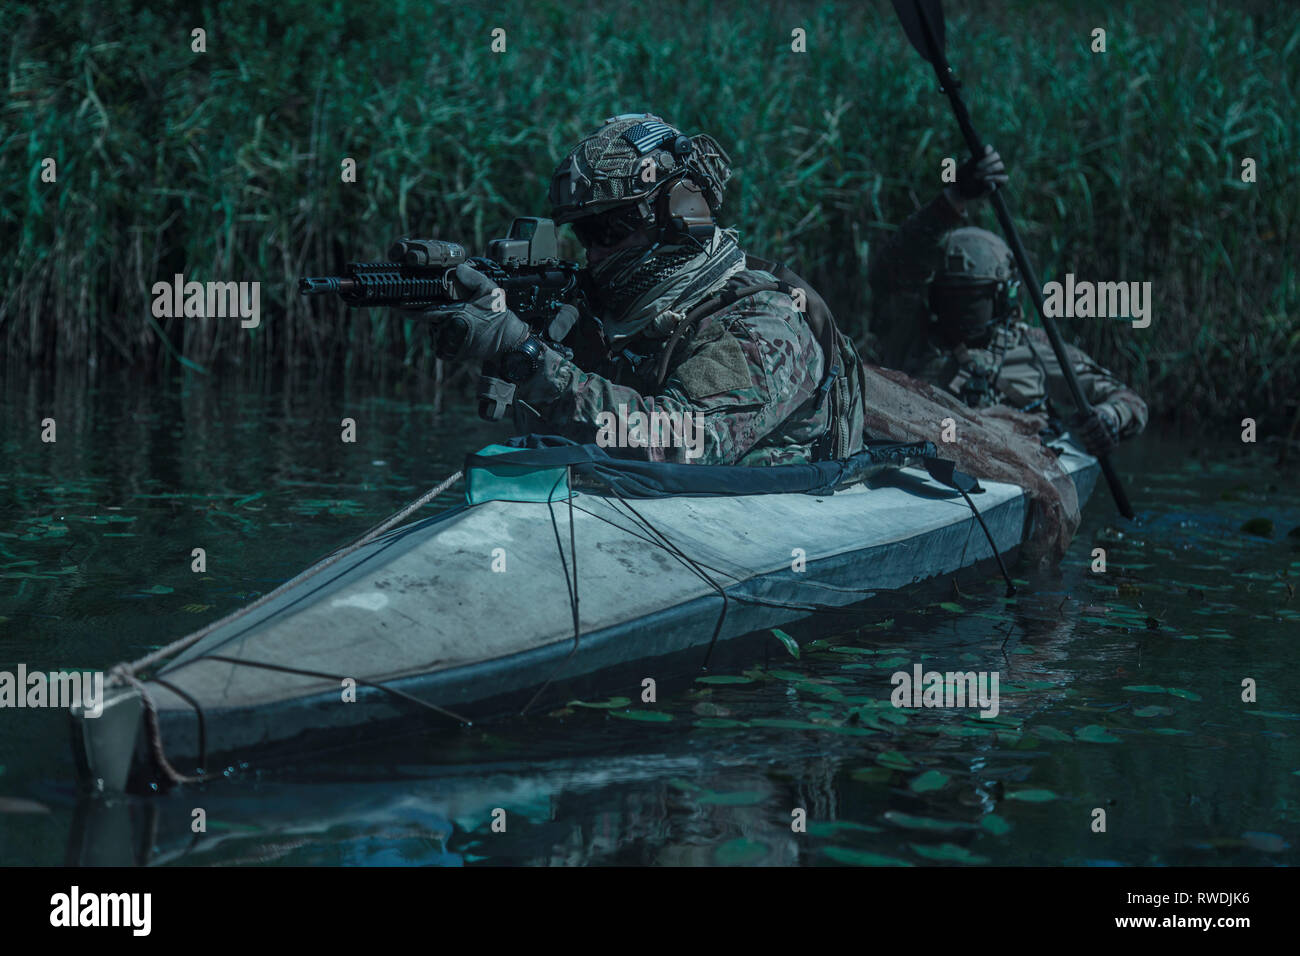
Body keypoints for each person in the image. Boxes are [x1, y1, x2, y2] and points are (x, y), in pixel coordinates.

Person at [436, 112, 866, 466]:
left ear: (682, 213)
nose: (595, 254)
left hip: (763, 529)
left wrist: (529, 360)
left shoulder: (764, 325)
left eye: (609, 229)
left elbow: (681, 442)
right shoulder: (619, 313)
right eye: (586, 234)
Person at [869, 146, 1148, 457]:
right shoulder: (911, 335)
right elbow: (890, 268)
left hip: (1008, 468)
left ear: (1004, 297)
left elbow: (1128, 400)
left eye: (974, 299)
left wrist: (1109, 418)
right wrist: (953, 198)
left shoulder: (1035, 349)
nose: (961, 311)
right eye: (953, 297)